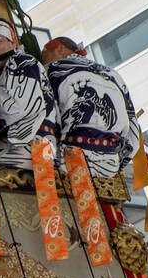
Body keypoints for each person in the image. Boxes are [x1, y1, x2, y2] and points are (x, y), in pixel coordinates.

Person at [42, 36, 140, 177]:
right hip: (109, 164)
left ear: (60, 48)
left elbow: (45, 116)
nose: (43, 61)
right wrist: (118, 164)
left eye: (44, 55)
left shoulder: (52, 71)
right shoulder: (113, 75)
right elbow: (134, 130)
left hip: (69, 158)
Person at [0, 17, 59, 169]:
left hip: (27, 144)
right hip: (37, 145)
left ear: (12, 42)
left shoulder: (21, 62)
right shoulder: (3, 72)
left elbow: (15, 110)